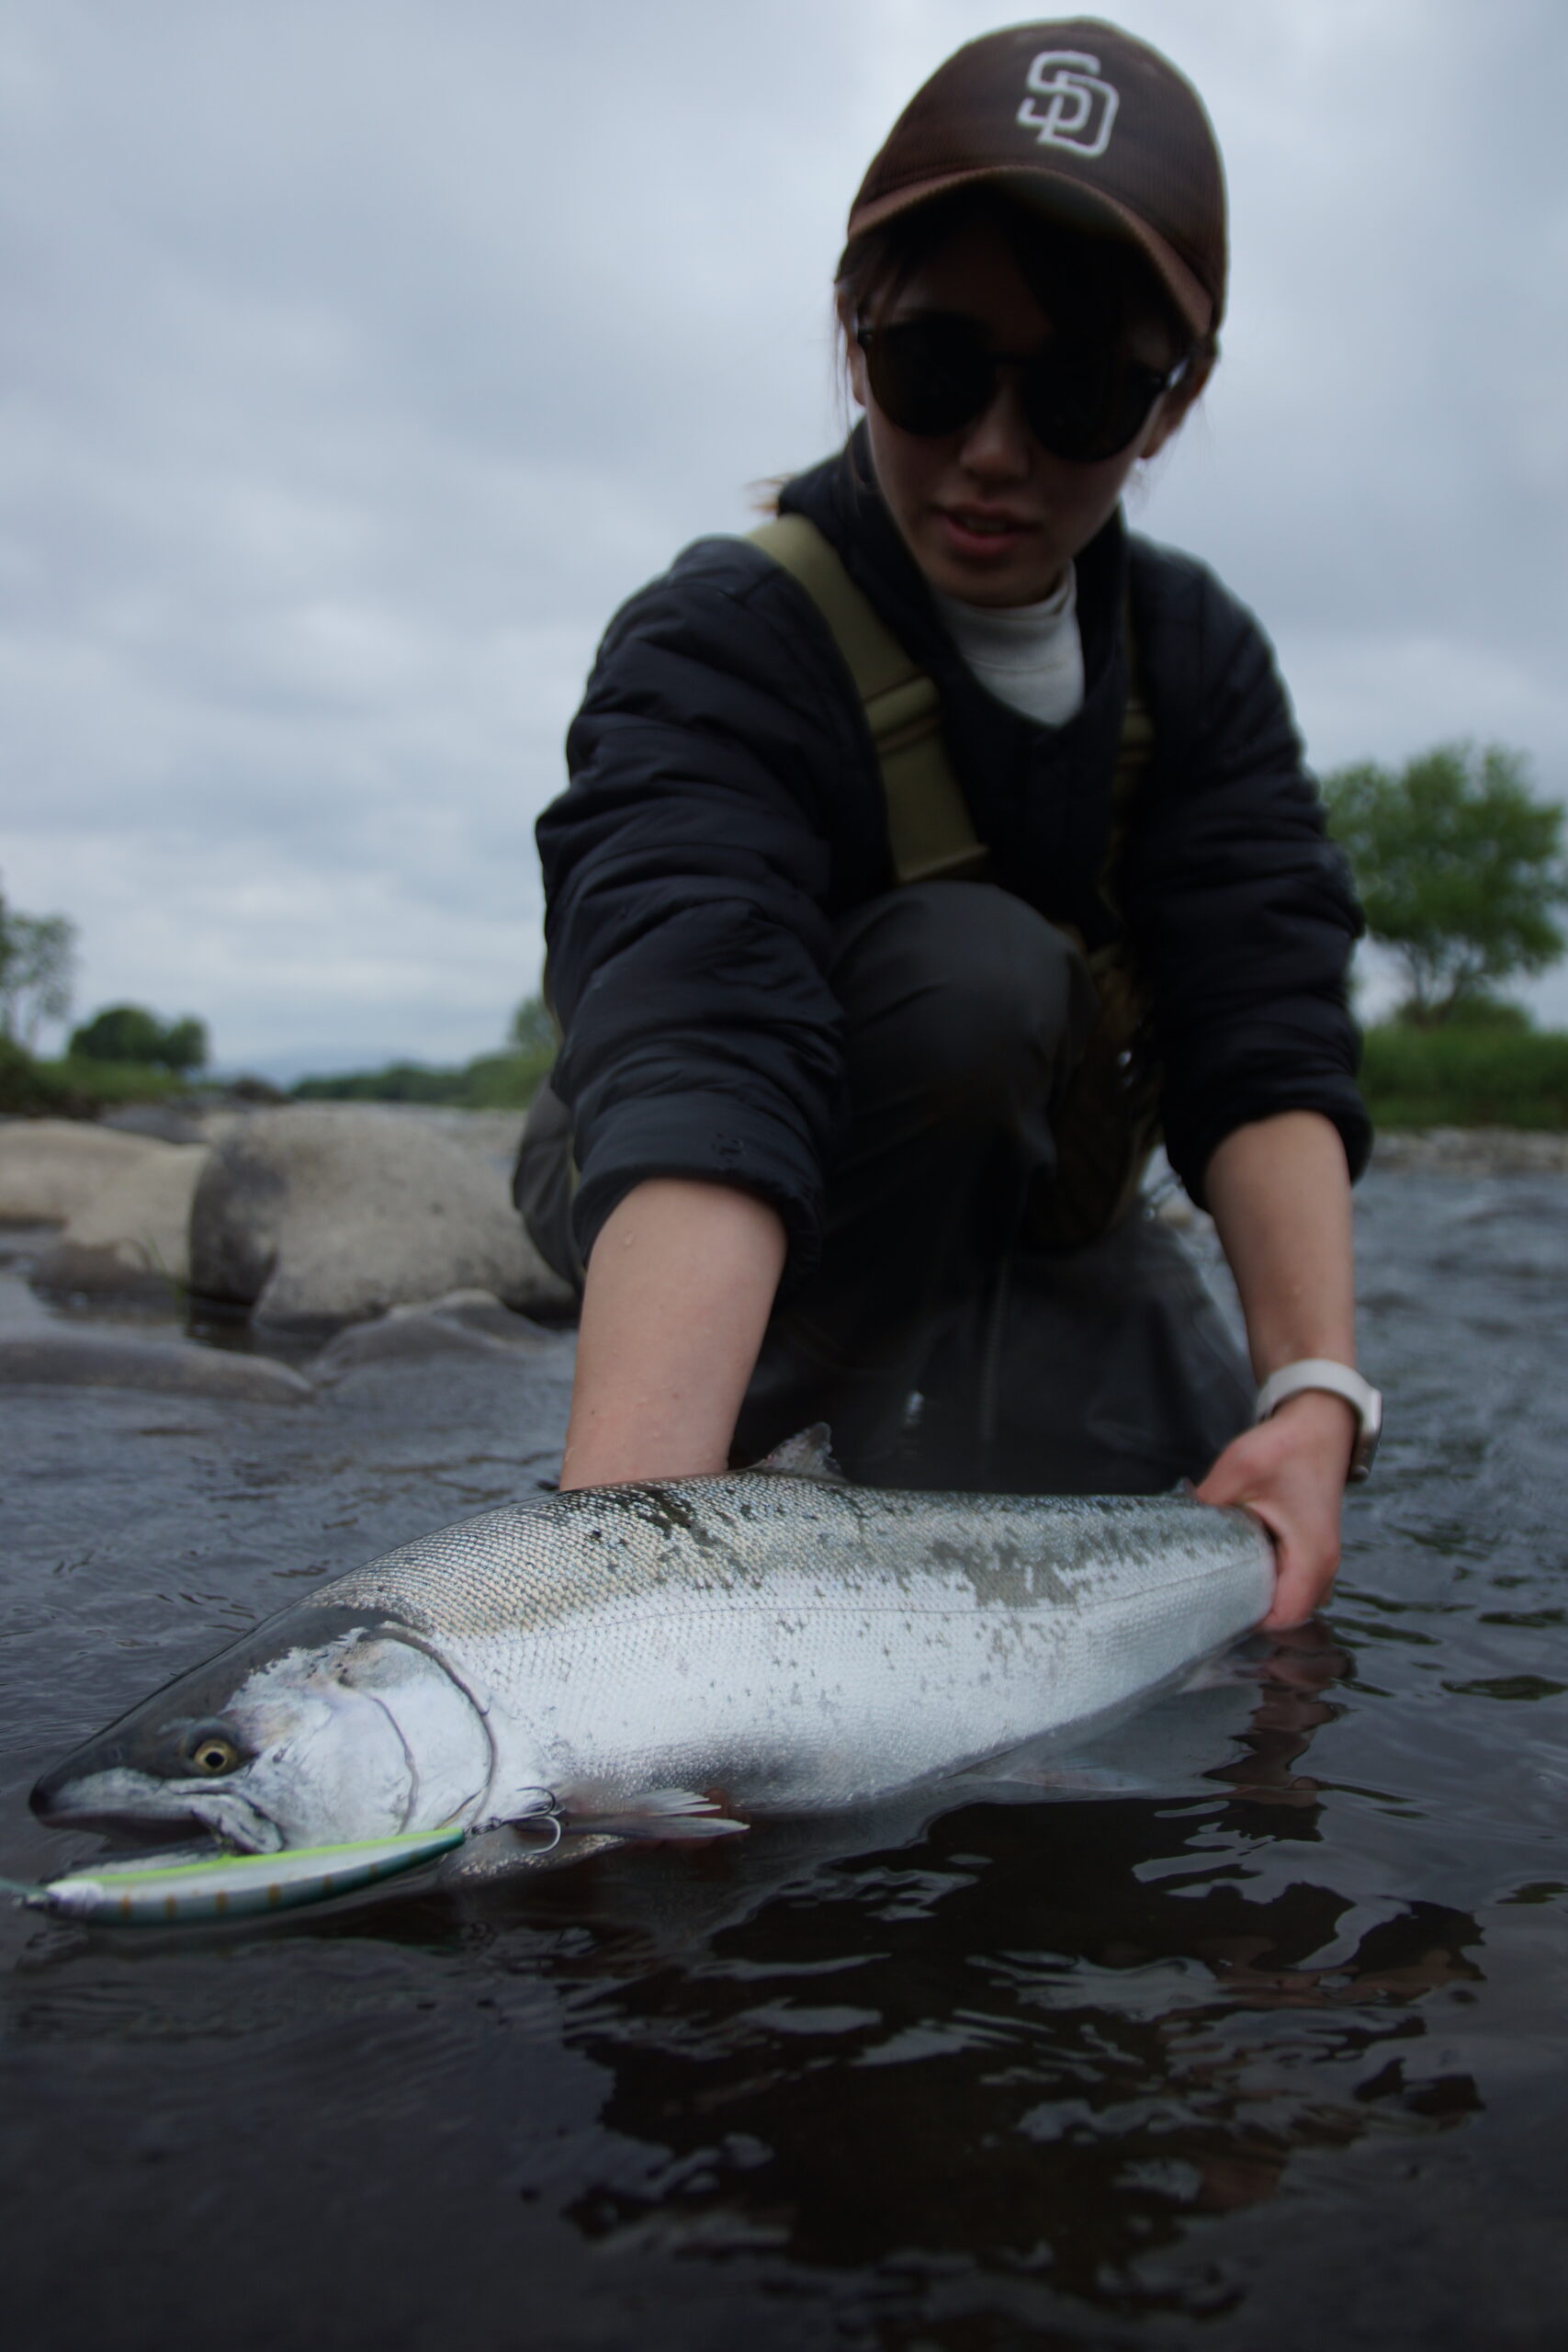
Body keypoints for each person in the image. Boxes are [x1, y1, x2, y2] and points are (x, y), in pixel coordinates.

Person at [516, 20, 1376, 1630]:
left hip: (1034, 1207)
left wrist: (1314, 1396)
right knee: (977, 974)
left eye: (1078, 393)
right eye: (935, 369)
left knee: (1232, 1565)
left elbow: (1266, 1029)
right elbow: (703, 1040)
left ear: (1168, 410)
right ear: (854, 338)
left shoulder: (1197, 660)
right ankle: (759, 1469)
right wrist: (610, 1591)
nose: (995, 450)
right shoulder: (718, 638)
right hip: (703, 1174)